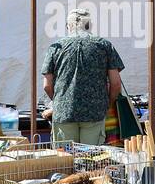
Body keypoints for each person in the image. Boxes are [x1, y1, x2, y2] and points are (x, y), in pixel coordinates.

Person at [41, 8, 124, 146]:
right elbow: (116, 84)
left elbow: (47, 86)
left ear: (68, 26)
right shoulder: (104, 45)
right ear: (89, 25)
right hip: (94, 113)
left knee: (65, 160)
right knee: (91, 160)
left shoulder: (55, 47)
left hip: (63, 115)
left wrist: (61, 102)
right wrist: (106, 104)